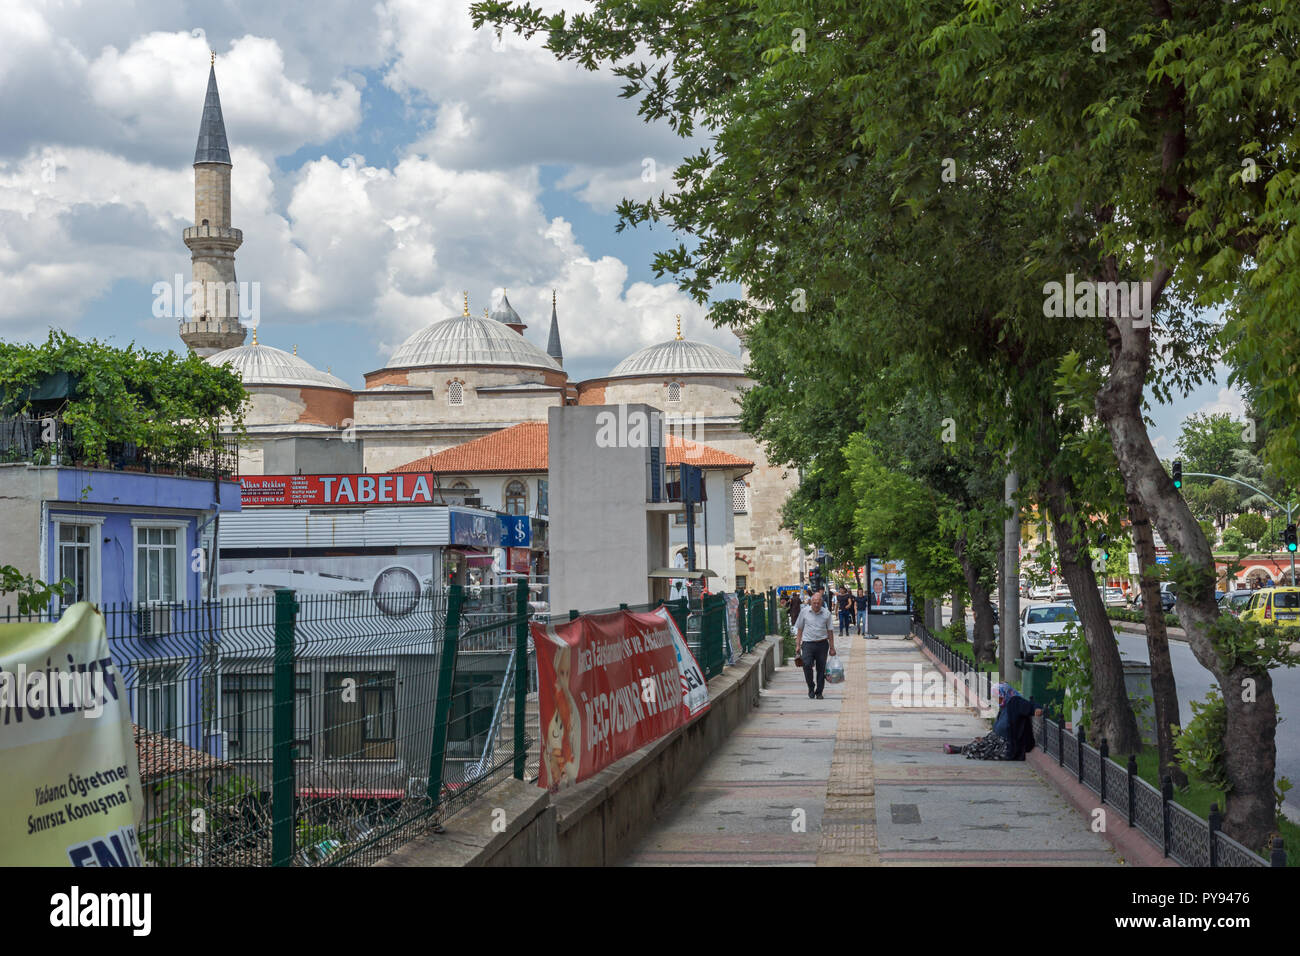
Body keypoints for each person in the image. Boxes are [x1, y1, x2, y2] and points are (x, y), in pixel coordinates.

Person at [942, 683, 1040, 760]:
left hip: (1008, 745)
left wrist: (1037, 709)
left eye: (998, 696)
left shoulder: (1015, 701)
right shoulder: (1005, 704)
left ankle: (957, 749)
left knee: (981, 750)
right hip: (997, 738)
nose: (996, 699)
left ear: (1004, 693)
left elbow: (1031, 705)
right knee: (979, 743)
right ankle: (958, 749)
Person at [795, 591, 836, 699]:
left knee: (821, 669)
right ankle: (810, 686)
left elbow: (830, 631)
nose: (816, 605)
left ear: (821, 602)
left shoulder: (826, 613)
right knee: (807, 665)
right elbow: (800, 629)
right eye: (814, 603)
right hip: (808, 644)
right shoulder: (804, 612)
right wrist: (798, 645)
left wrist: (832, 647)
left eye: (818, 603)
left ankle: (819, 692)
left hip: (822, 644)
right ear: (811, 602)